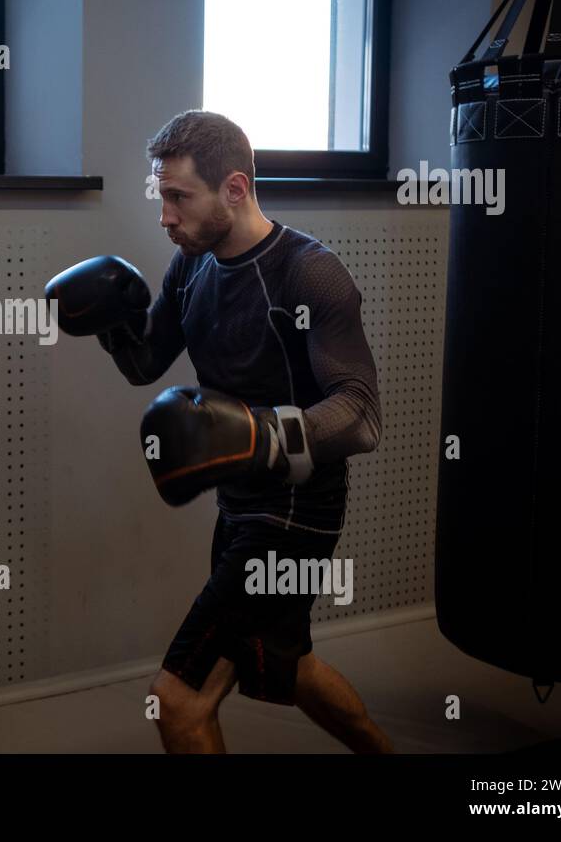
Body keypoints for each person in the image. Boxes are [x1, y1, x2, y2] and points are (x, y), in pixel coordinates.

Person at [47, 110, 394, 753]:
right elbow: (143, 364)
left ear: (234, 189)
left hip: (294, 513)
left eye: (179, 197)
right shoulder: (193, 268)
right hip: (239, 504)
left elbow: (362, 412)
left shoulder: (309, 272)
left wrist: (261, 436)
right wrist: (112, 323)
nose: (165, 216)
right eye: (162, 196)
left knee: (178, 701)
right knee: (284, 667)